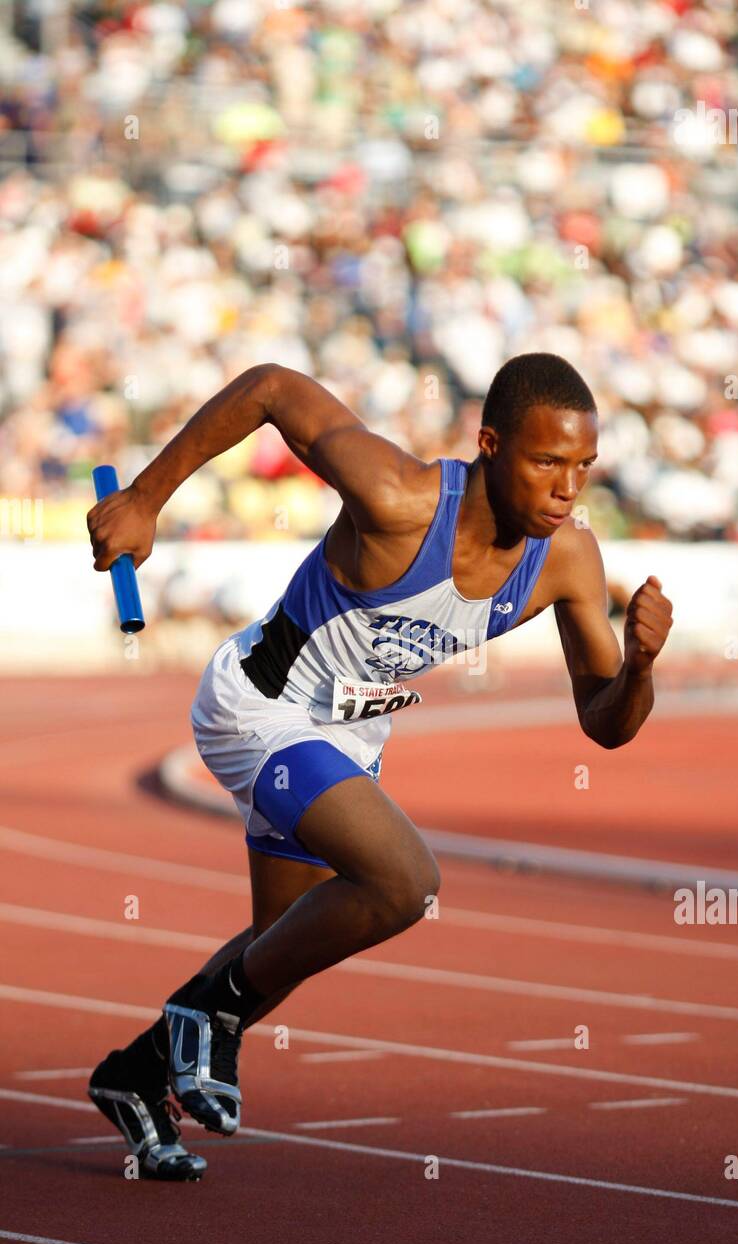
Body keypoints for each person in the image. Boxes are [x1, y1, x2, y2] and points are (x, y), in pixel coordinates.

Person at [85, 352, 673, 1180]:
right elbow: (271, 389)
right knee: (404, 882)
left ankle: (138, 1076)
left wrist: (641, 666)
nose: (566, 488)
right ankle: (201, 1015)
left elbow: (604, 726)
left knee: (280, 943)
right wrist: (146, 497)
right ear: (491, 444)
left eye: (583, 466)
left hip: (346, 736)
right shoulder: (399, 497)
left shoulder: (567, 562)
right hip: (258, 705)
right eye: (546, 462)